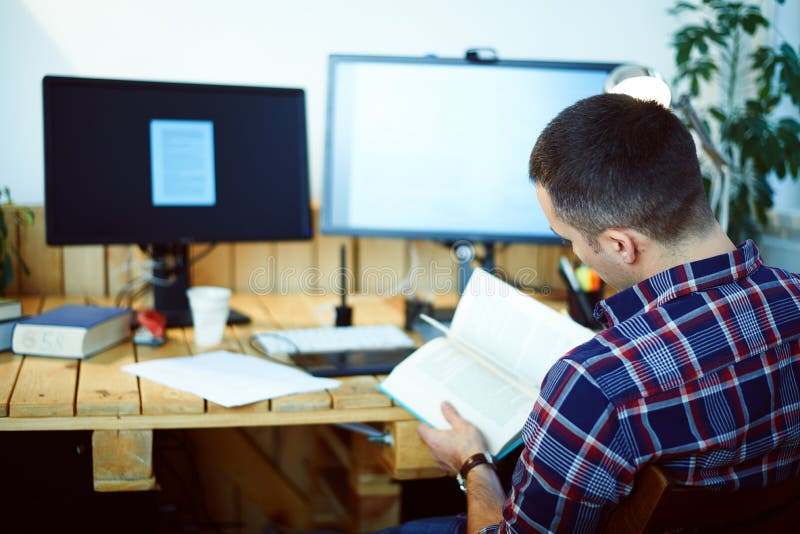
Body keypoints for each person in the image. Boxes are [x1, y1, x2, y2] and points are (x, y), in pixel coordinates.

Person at [380, 93, 800, 533]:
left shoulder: (594, 386)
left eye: (568, 239)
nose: (575, 253)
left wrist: (474, 464)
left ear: (621, 244)